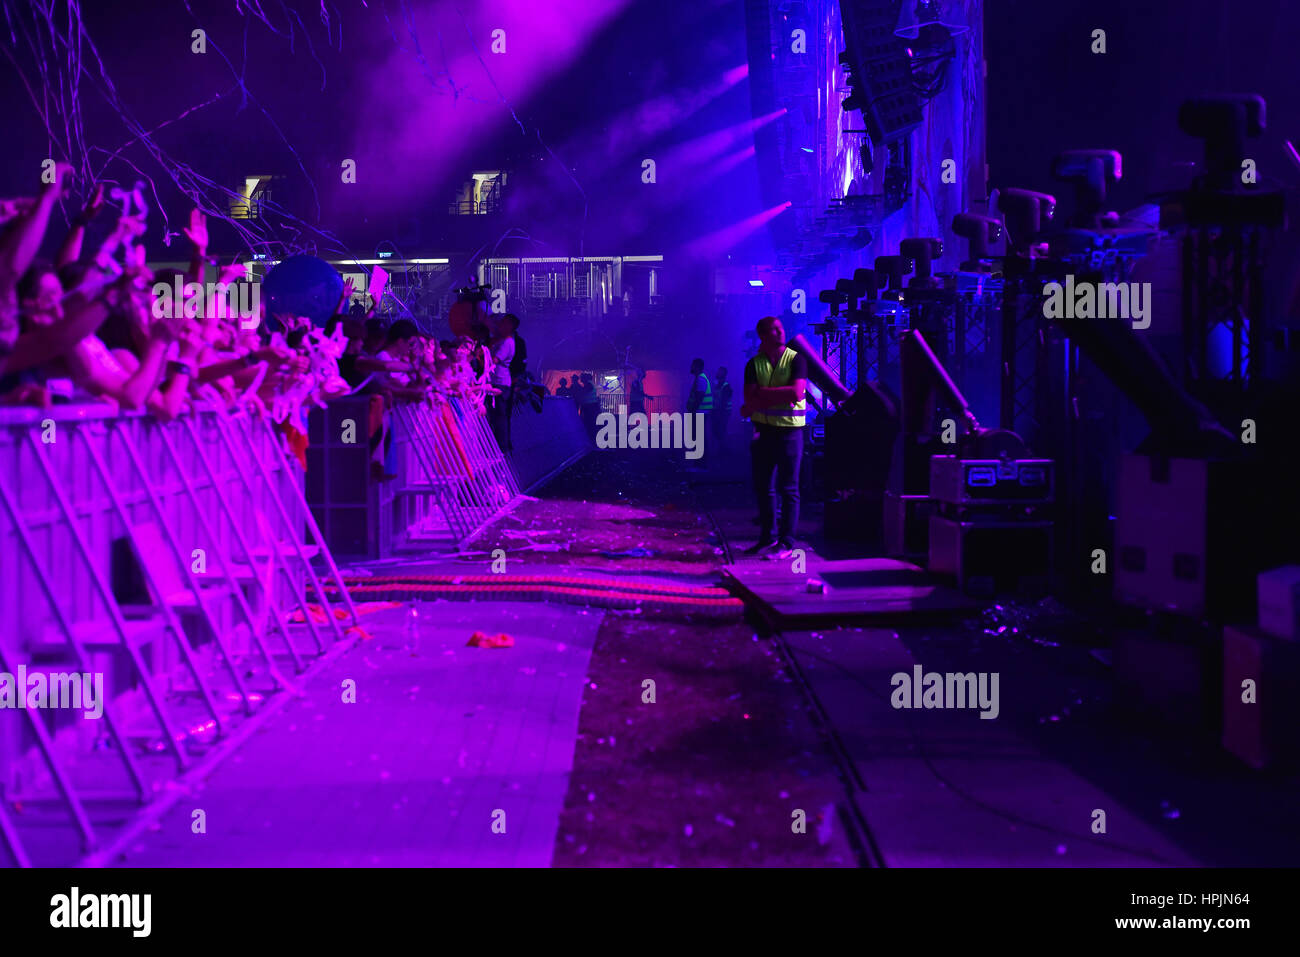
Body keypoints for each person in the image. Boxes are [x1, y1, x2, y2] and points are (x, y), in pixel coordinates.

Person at [740, 317, 807, 558]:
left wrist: (762, 395)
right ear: (763, 335)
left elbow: (797, 392)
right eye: (774, 330)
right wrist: (779, 395)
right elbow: (749, 399)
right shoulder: (754, 364)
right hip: (763, 432)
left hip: (790, 432)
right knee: (764, 488)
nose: (780, 332)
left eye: (781, 327)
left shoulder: (796, 359)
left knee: (788, 488)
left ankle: (787, 542)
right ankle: (767, 537)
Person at [487, 312, 516, 451]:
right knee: (497, 415)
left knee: (499, 416)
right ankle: (498, 447)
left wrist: (481, 356)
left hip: (500, 381)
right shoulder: (503, 340)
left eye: (503, 323)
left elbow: (495, 360)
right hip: (498, 380)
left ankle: (501, 448)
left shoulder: (507, 342)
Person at [685, 358, 713, 470]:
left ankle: (700, 464)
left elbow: (699, 397)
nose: (691, 367)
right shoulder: (700, 378)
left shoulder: (700, 379)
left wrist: (692, 410)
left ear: (697, 366)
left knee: (699, 438)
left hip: (699, 412)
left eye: (693, 365)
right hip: (700, 412)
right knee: (699, 438)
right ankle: (700, 463)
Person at [711, 365, 733, 463]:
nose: (717, 373)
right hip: (718, 411)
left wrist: (720, 413)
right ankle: (723, 450)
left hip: (723, 412)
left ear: (723, 374)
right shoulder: (717, 385)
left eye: (719, 372)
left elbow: (724, 401)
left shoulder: (725, 386)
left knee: (720, 431)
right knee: (717, 431)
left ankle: (724, 451)